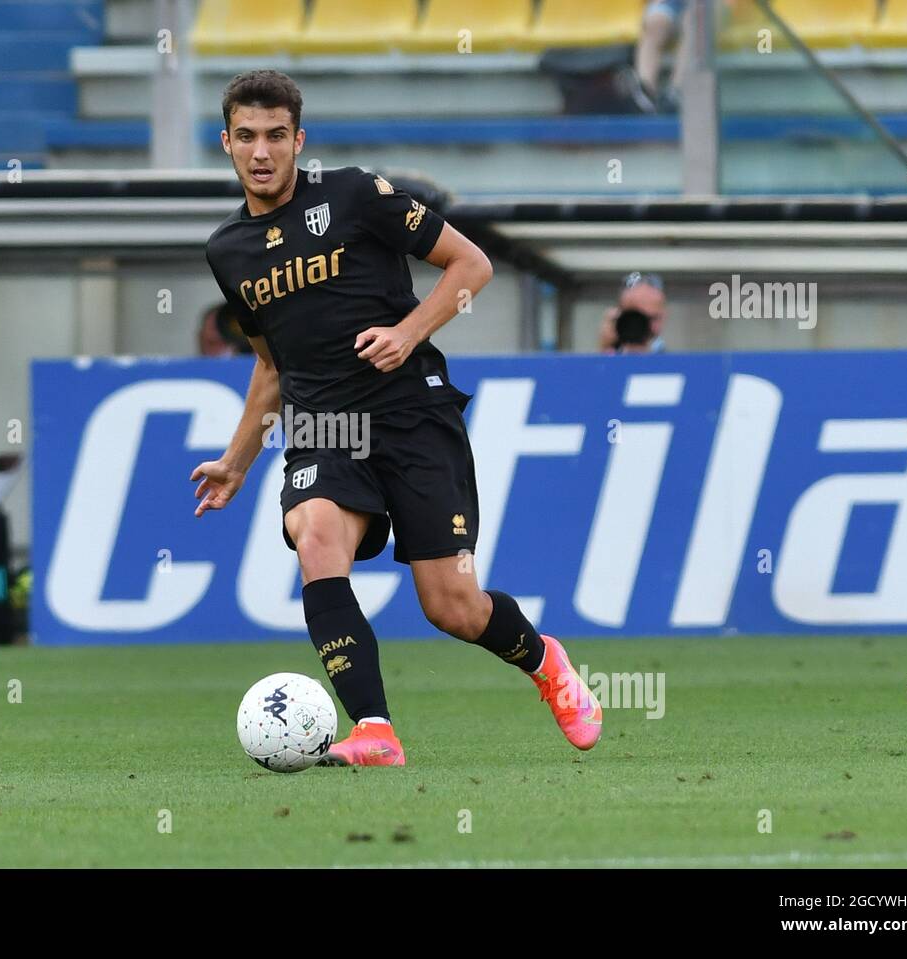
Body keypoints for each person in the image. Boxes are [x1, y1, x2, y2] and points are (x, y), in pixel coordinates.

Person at [192, 70, 603, 767]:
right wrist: (236, 461)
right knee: (317, 534)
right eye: (247, 137)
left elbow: (469, 265)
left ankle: (546, 661)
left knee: (452, 606)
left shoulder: (354, 194)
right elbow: (271, 367)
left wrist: (407, 332)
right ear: (227, 142)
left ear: (299, 140)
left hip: (410, 411)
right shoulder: (226, 252)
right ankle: (375, 728)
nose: (261, 152)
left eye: (276, 136)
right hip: (324, 424)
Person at [599, 271, 668, 353]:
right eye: (633, 317)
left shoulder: (673, 362)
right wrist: (604, 352)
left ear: (663, 317)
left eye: (651, 318)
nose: (638, 326)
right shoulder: (609, 356)